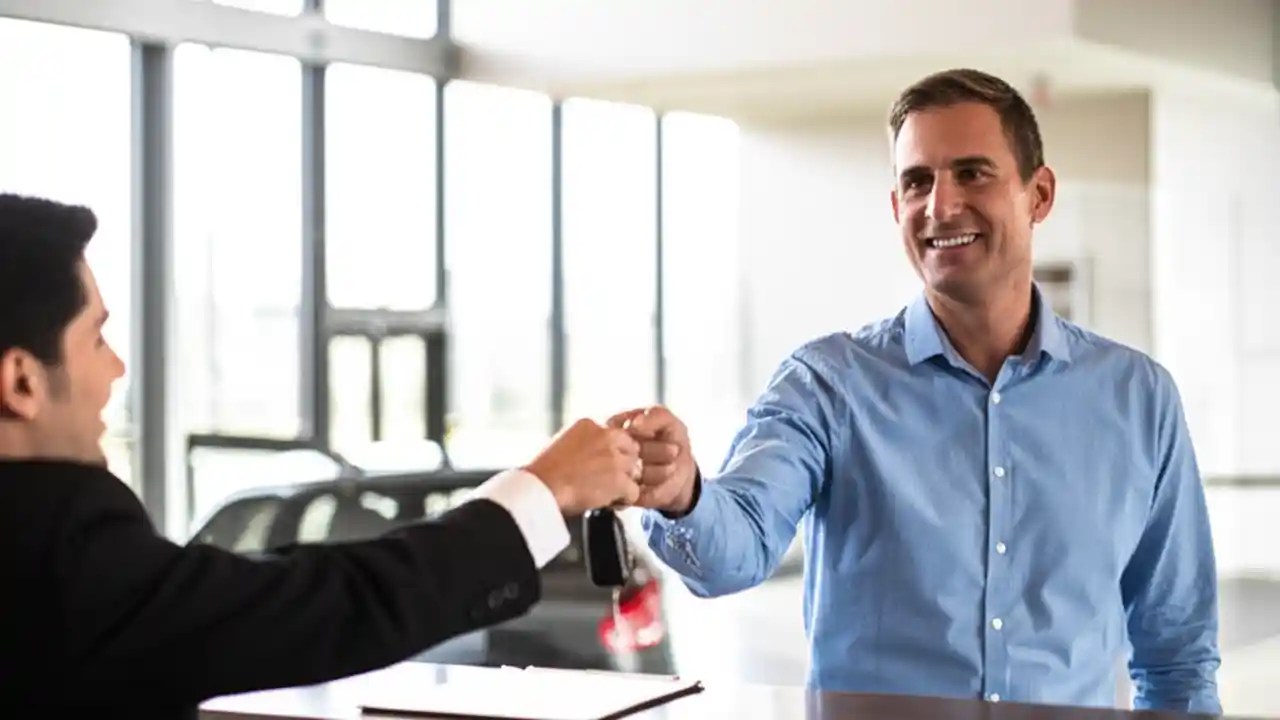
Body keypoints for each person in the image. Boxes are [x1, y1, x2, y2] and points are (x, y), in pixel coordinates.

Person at [612, 68, 1221, 713]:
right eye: (917, 181)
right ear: (896, 206)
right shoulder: (828, 386)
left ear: (1038, 195)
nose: (941, 204)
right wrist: (683, 496)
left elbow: (1177, 653)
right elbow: (731, 552)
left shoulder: (1138, 398)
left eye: (972, 173)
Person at [0, 193, 642, 714]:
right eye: (96, 337)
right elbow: (325, 606)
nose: (116, 368)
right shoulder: (52, 548)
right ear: (22, 381)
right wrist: (543, 489)